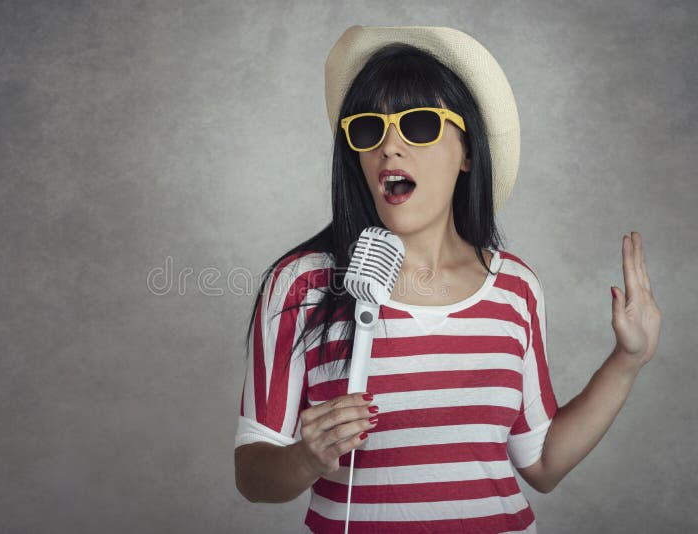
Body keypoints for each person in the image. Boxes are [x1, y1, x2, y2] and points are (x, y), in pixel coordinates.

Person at [234, 25, 661, 533]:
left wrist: (628, 359)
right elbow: (252, 474)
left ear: (468, 153)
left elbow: (542, 464)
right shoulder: (302, 284)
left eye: (418, 125)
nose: (390, 148)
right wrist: (307, 458)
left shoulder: (515, 288)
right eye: (370, 130)